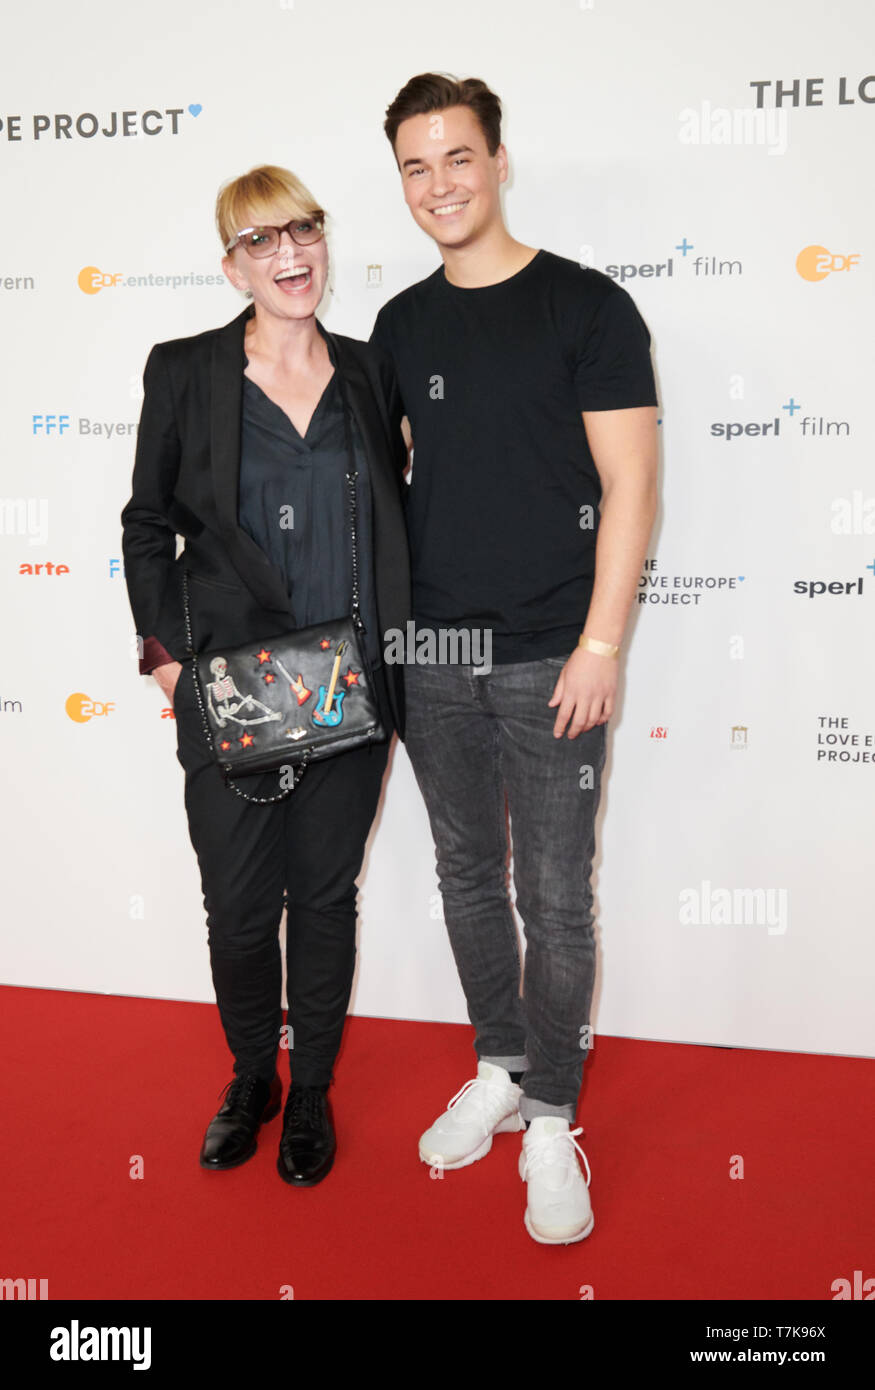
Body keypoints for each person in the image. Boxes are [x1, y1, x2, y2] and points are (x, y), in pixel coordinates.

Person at [371, 76, 659, 1243]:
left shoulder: (586, 308)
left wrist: (600, 643)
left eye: (456, 158)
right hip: (430, 653)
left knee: (555, 896)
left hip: (553, 652)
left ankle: (550, 1115)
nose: (437, 185)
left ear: (497, 159)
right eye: (414, 166)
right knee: (462, 877)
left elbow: (630, 488)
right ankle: (498, 1063)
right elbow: (385, 492)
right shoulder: (397, 327)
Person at [121, 165, 410, 1187]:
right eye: (260, 242)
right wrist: (164, 662)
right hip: (234, 691)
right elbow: (146, 525)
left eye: (302, 232)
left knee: (324, 898)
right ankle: (253, 1075)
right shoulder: (185, 371)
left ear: (323, 240)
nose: (289, 257)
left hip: (348, 687)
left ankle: (315, 1087)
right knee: (239, 908)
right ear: (231, 264)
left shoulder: (374, 373)